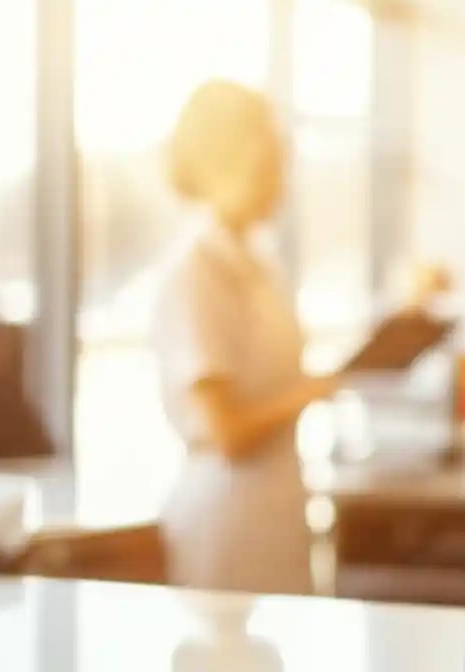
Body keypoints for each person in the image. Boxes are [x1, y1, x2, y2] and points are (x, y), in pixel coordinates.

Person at [150, 80, 333, 594]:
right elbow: (226, 431)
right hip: (226, 524)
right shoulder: (196, 271)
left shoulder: (255, 259)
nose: (284, 179)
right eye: (274, 161)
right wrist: (316, 391)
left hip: (275, 511)